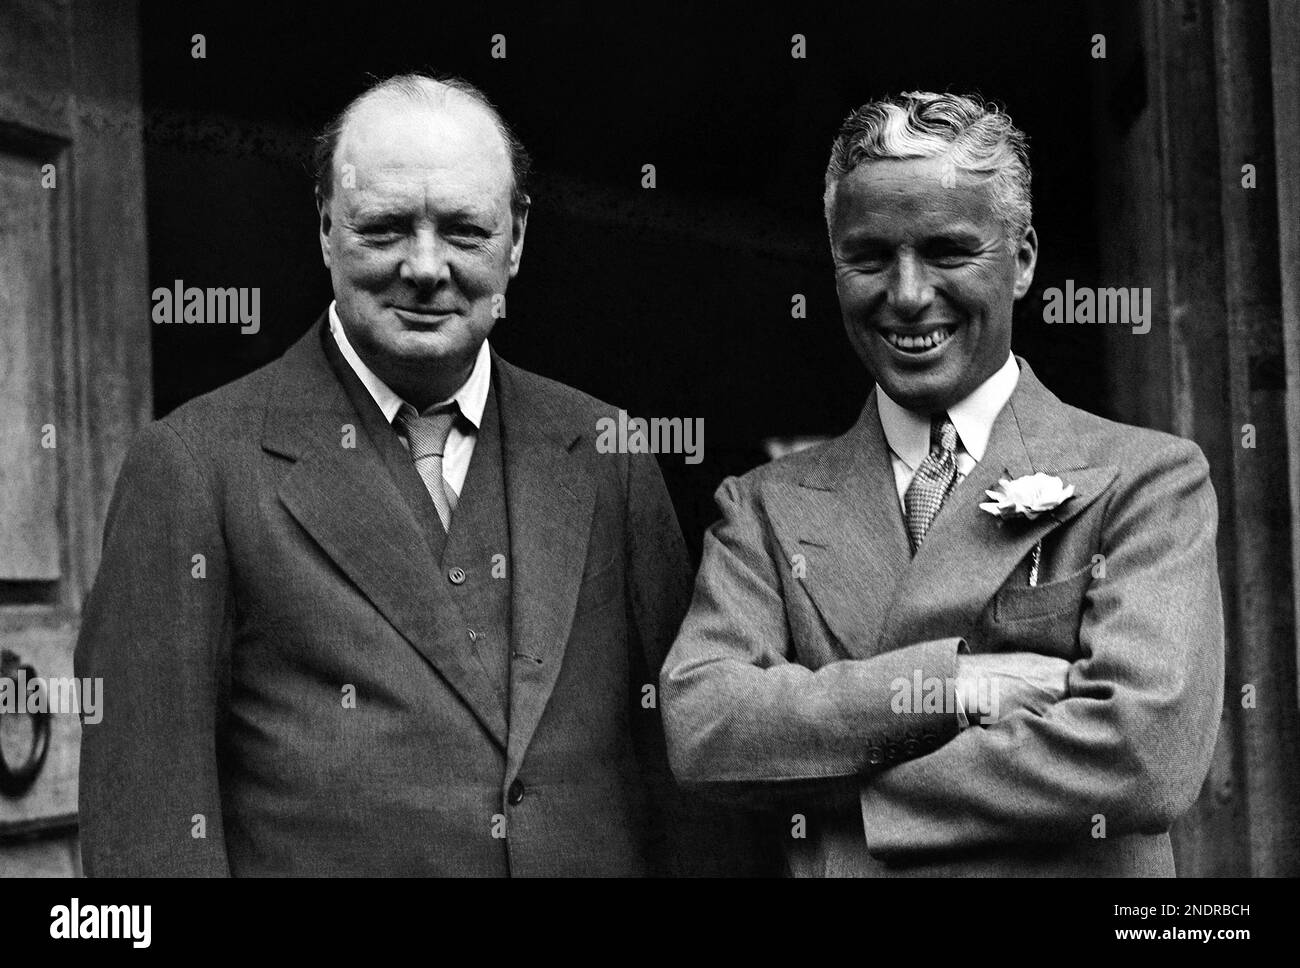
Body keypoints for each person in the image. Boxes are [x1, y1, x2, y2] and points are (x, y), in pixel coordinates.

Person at [76, 73, 744, 876]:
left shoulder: (609, 453)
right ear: (326, 227)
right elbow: (145, 841)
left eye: (464, 231)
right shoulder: (192, 468)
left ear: (518, 236)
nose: (426, 268)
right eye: (387, 228)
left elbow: (689, 787)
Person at [660, 91, 1225, 876]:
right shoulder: (761, 507)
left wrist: (846, 797)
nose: (908, 293)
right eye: (868, 257)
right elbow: (705, 724)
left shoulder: (1149, 479)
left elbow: (1143, 753)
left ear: (1022, 260)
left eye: (949, 251)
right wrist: (957, 685)